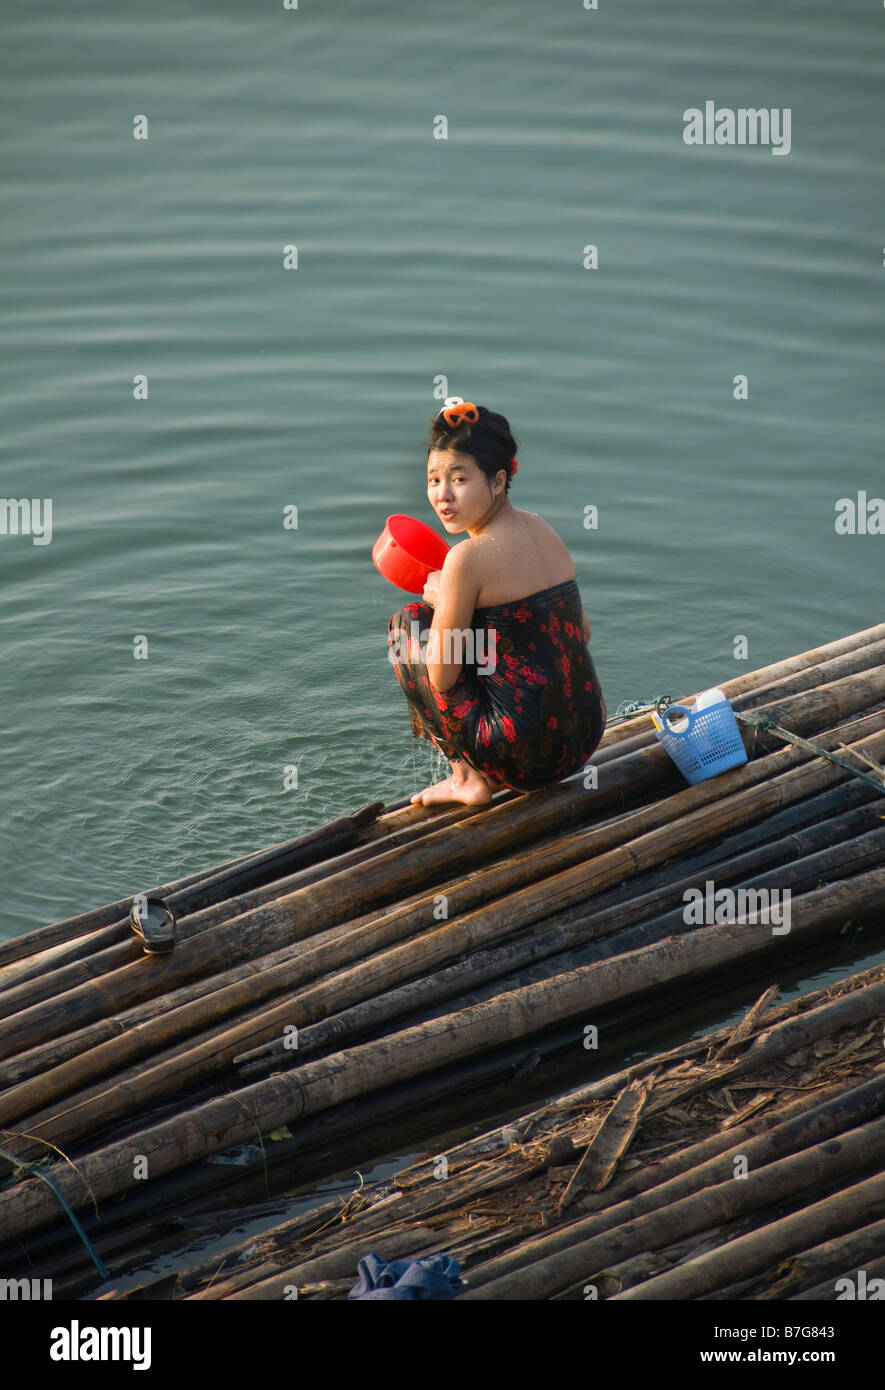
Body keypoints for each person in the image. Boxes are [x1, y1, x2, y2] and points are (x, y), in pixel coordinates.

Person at [387, 398, 607, 806]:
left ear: (498, 481)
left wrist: (441, 596)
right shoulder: (542, 527)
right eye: (434, 479)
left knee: (408, 624)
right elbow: (584, 633)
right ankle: (488, 762)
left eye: (459, 478)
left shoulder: (466, 558)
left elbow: (441, 676)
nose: (443, 495)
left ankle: (467, 778)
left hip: (524, 759)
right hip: (585, 737)